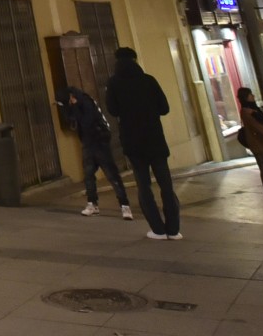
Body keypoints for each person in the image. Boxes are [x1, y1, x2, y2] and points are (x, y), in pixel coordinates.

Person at [104, 47, 179, 240]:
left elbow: (112, 110)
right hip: (155, 139)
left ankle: (157, 229)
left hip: (133, 141)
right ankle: (173, 229)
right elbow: (164, 108)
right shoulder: (149, 80)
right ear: (135, 60)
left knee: (143, 185)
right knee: (166, 184)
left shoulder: (114, 83)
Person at [58, 85, 132, 218]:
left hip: (99, 141)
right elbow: (72, 123)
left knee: (112, 175)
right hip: (87, 143)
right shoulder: (74, 105)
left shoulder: (86, 102)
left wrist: (74, 107)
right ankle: (92, 204)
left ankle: (125, 206)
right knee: (88, 175)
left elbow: (87, 122)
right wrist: (67, 109)